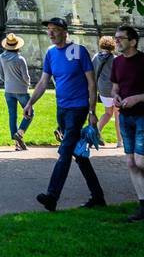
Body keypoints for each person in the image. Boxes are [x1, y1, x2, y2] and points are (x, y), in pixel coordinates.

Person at [27, 16, 104, 211]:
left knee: (65, 151)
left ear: (65, 31)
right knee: (79, 154)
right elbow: (44, 82)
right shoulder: (51, 53)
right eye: (49, 29)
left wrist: (92, 111)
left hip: (78, 108)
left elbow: (91, 83)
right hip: (61, 109)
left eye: (54, 29)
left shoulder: (79, 52)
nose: (50, 33)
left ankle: (52, 196)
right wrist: (30, 102)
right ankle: (98, 196)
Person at [112, 24, 144, 223]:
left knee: (141, 161)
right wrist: (115, 97)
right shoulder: (117, 63)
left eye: (120, 38)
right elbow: (115, 87)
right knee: (131, 162)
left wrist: (138, 98)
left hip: (142, 115)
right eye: (115, 38)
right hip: (125, 116)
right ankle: (142, 205)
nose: (116, 41)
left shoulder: (143, 61)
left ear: (132, 41)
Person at [0, 33, 33, 149]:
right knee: (30, 113)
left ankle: (17, 143)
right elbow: (25, 76)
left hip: (8, 90)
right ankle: (20, 133)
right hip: (22, 90)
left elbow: (1, 75)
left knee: (12, 115)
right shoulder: (20, 59)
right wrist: (29, 83)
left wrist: (8, 81)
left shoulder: (2, 57)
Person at [94, 35, 118, 145]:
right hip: (115, 90)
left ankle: (97, 130)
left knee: (108, 113)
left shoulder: (96, 57)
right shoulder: (116, 59)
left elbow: (92, 73)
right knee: (118, 115)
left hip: (102, 89)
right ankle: (120, 141)